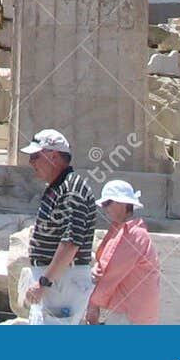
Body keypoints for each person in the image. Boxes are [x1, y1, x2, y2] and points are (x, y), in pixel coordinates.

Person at [19, 128, 97, 324]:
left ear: (52, 156)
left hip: (62, 282)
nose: (31, 162)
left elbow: (71, 243)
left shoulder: (71, 191)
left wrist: (44, 282)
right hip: (56, 280)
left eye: (35, 156)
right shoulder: (59, 188)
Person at [83, 179, 160, 324]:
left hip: (132, 314)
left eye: (107, 203)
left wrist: (93, 304)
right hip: (126, 311)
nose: (104, 208)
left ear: (122, 204)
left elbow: (112, 274)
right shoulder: (121, 232)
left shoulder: (135, 235)